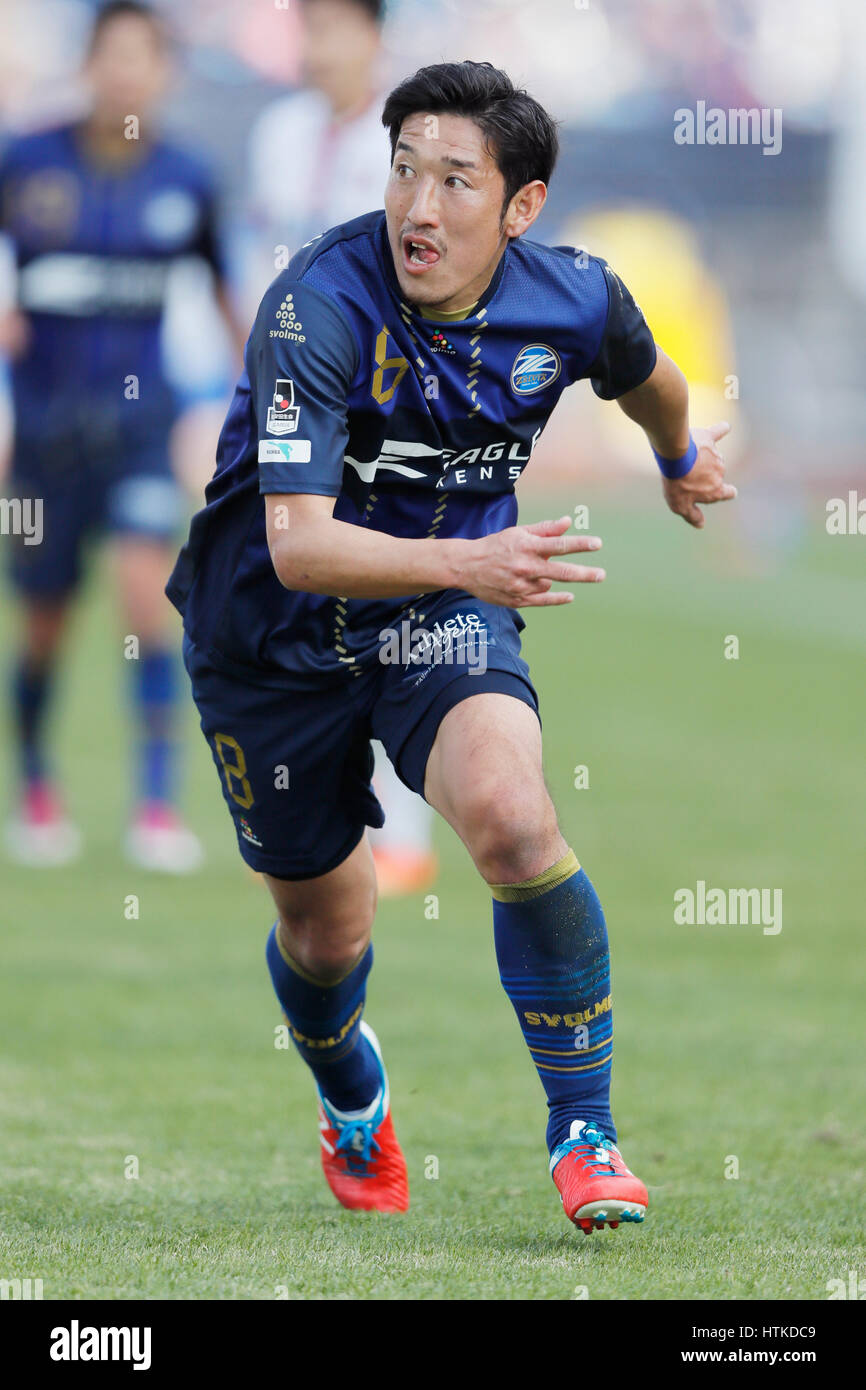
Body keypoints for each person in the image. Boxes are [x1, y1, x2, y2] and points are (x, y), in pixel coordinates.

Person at [167, 61, 735, 1227]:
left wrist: (680, 460)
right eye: (403, 170)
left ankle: (584, 1132)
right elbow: (299, 548)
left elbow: (653, 383)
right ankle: (349, 1093)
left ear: (519, 206)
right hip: (268, 635)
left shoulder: (572, 297)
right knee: (324, 935)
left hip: (435, 616)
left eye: (453, 181)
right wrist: (471, 560)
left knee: (515, 818)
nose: (417, 206)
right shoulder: (314, 306)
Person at [0, 0, 243, 871]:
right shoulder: (24, 160)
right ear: (89, 64)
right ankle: (34, 785)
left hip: (142, 428)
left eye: (145, 58)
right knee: (42, 623)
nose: (127, 73)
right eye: (113, 56)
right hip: (41, 441)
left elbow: (225, 300)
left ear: (163, 73)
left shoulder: (187, 176)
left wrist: (257, 398)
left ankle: (154, 805)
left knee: (147, 605)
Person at [246, 0, 439, 896]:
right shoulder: (279, 131)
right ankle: (320, 827)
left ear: (372, 35)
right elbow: (263, 258)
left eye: (330, 28)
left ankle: (403, 830)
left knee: (396, 607)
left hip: (386, 404)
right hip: (295, 395)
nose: (314, 45)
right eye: (306, 28)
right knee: (298, 603)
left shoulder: (408, 150)